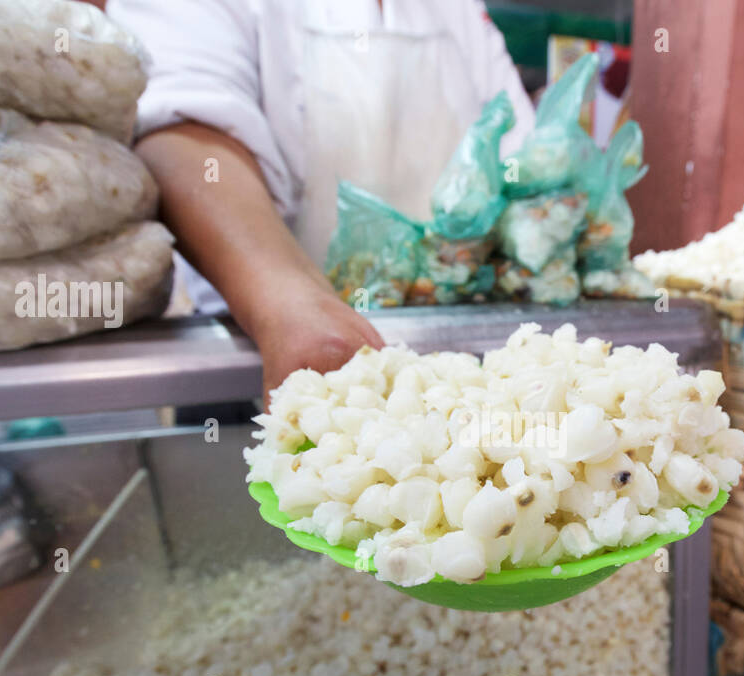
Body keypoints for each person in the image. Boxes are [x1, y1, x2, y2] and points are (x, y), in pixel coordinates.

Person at [106, 1, 535, 396]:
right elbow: (186, 138)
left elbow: (518, 155)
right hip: (265, 361)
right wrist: (293, 305)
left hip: (455, 372)